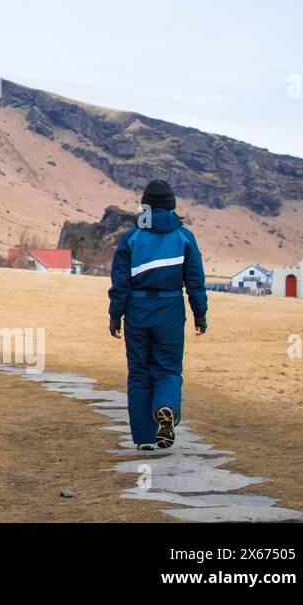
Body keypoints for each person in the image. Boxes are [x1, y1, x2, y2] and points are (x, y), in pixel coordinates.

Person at [108, 180, 208, 451]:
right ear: (172, 207)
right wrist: (200, 315)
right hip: (171, 310)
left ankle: (144, 439)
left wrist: (115, 316)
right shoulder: (185, 237)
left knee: (139, 373)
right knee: (167, 369)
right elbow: (195, 281)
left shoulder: (131, 238)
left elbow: (120, 283)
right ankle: (166, 408)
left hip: (137, 311)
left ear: (145, 207)